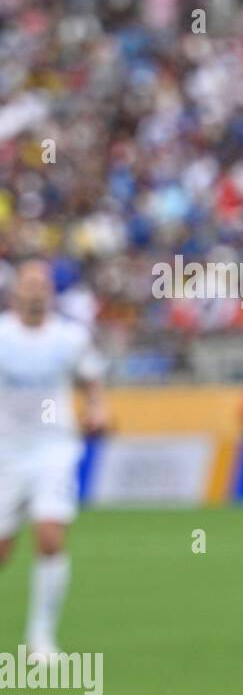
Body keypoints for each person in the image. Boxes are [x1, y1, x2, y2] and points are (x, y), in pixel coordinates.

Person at [0, 258, 107, 656]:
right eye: (28, 284)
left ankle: (40, 637)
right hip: (6, 451)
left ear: (50, 293)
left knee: (49, 534)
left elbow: (92, 380)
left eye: (41, 285)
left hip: (54, 447)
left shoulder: (70, 337)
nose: (35, 291)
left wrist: (98, 408)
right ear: (16, 293)